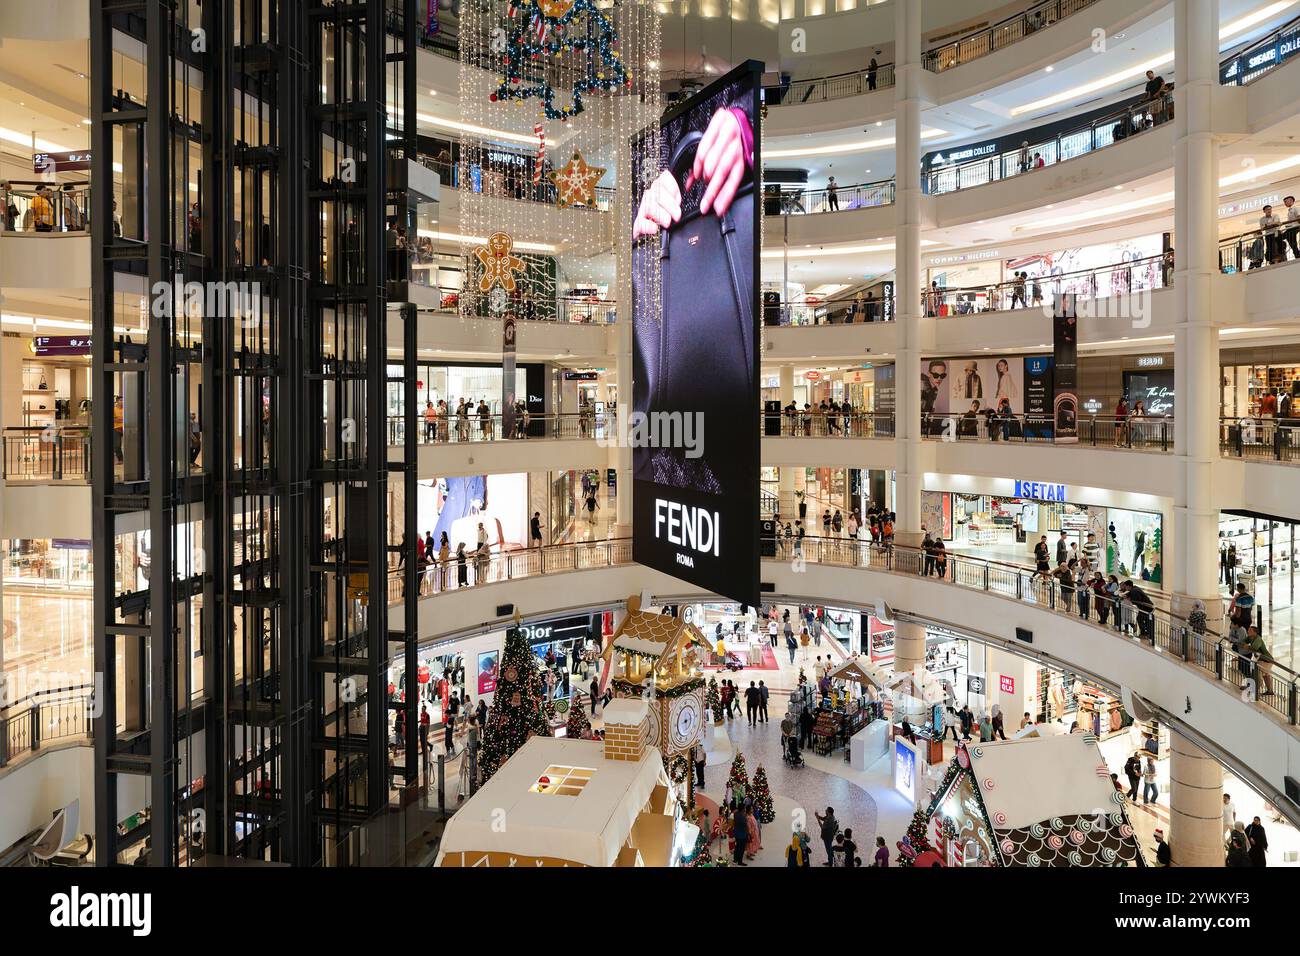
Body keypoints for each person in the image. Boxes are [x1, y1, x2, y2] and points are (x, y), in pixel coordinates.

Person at [1283, 194, 1300, 260]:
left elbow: (1299, 217)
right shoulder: (1289, 210)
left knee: (1288, 236)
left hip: (1295, 227)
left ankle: (1296, 253)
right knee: (1290, 240)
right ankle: (1297, 253)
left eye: (1285, 201)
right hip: (1291, 228)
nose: (1285, 203)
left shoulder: (1296, 208)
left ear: (1291, 200)